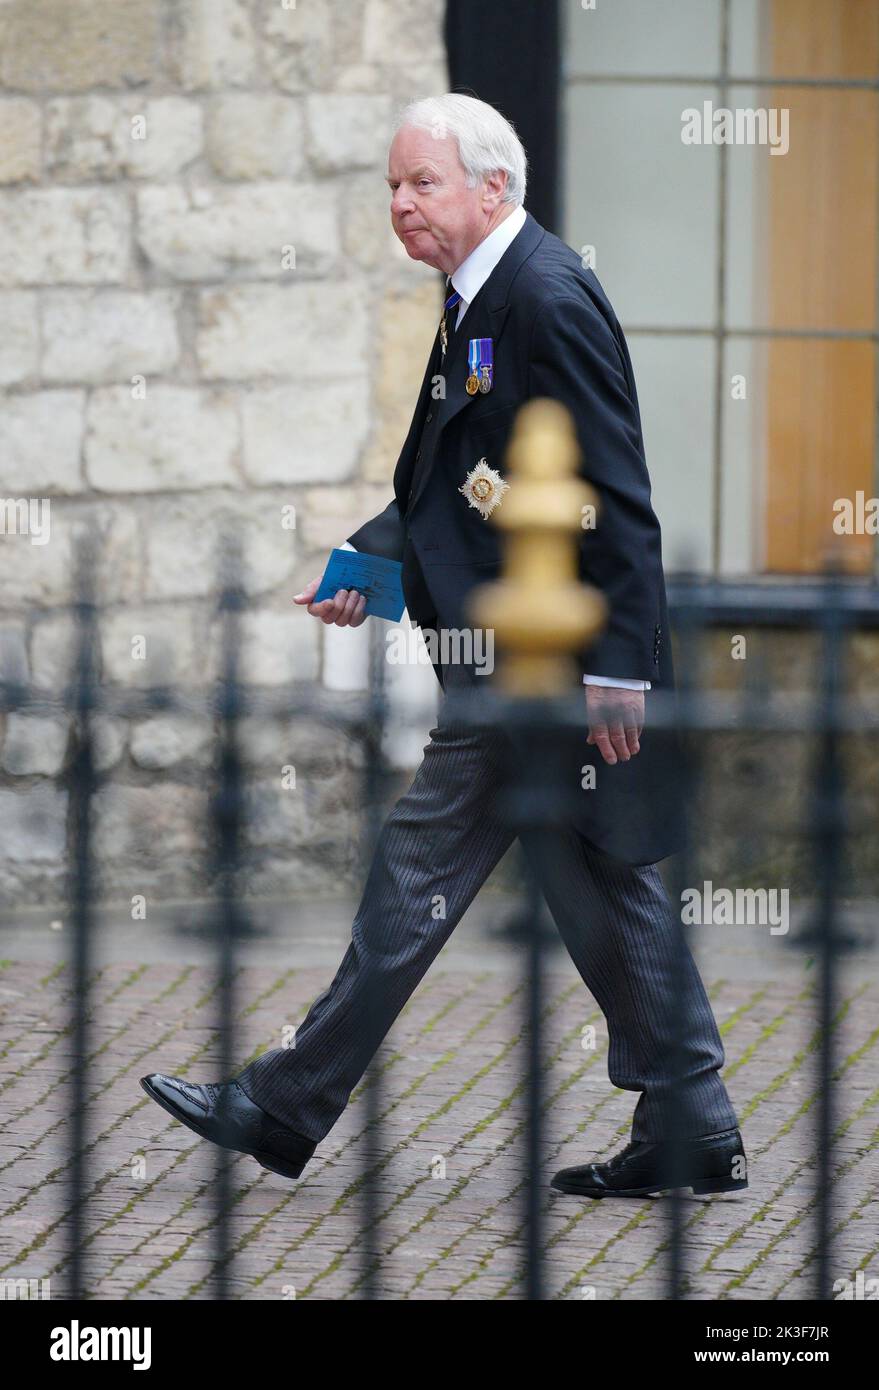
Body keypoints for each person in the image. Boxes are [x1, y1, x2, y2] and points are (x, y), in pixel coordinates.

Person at [142, 93, 746, 1200]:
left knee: (418, 870)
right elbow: (460, 480)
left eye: (422, 183)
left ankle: (283, 1102)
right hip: (507, 649)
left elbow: (613, 491)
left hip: (540, 661)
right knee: (600, 881)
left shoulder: (545, 295)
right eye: (392, 186)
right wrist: (365, 565)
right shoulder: (476, 295)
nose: (401, 204)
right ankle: (691, 1115)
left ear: (493, 188)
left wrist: (620, 659)